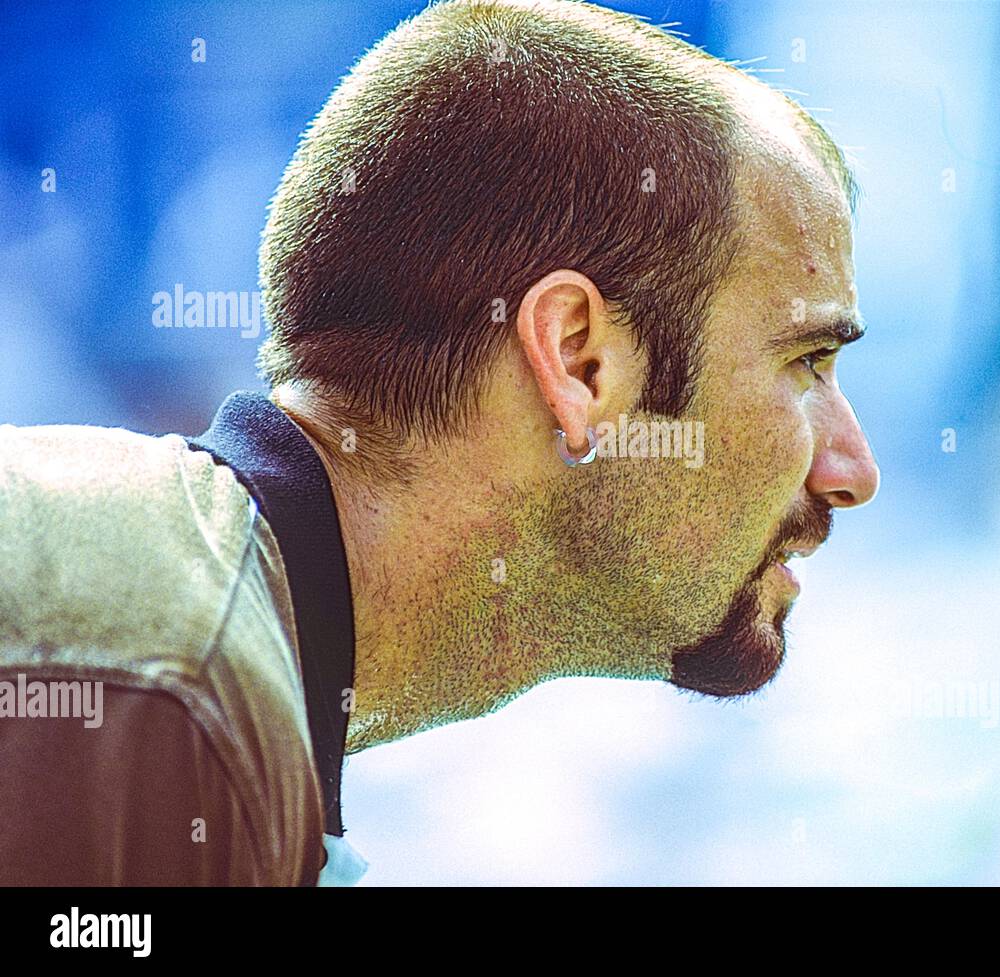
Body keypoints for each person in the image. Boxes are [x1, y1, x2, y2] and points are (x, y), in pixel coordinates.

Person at [0, 0, 878, 886]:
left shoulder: (205, 667)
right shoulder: (167, 697)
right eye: (806, 361)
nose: (855, 470)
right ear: (578, 360)